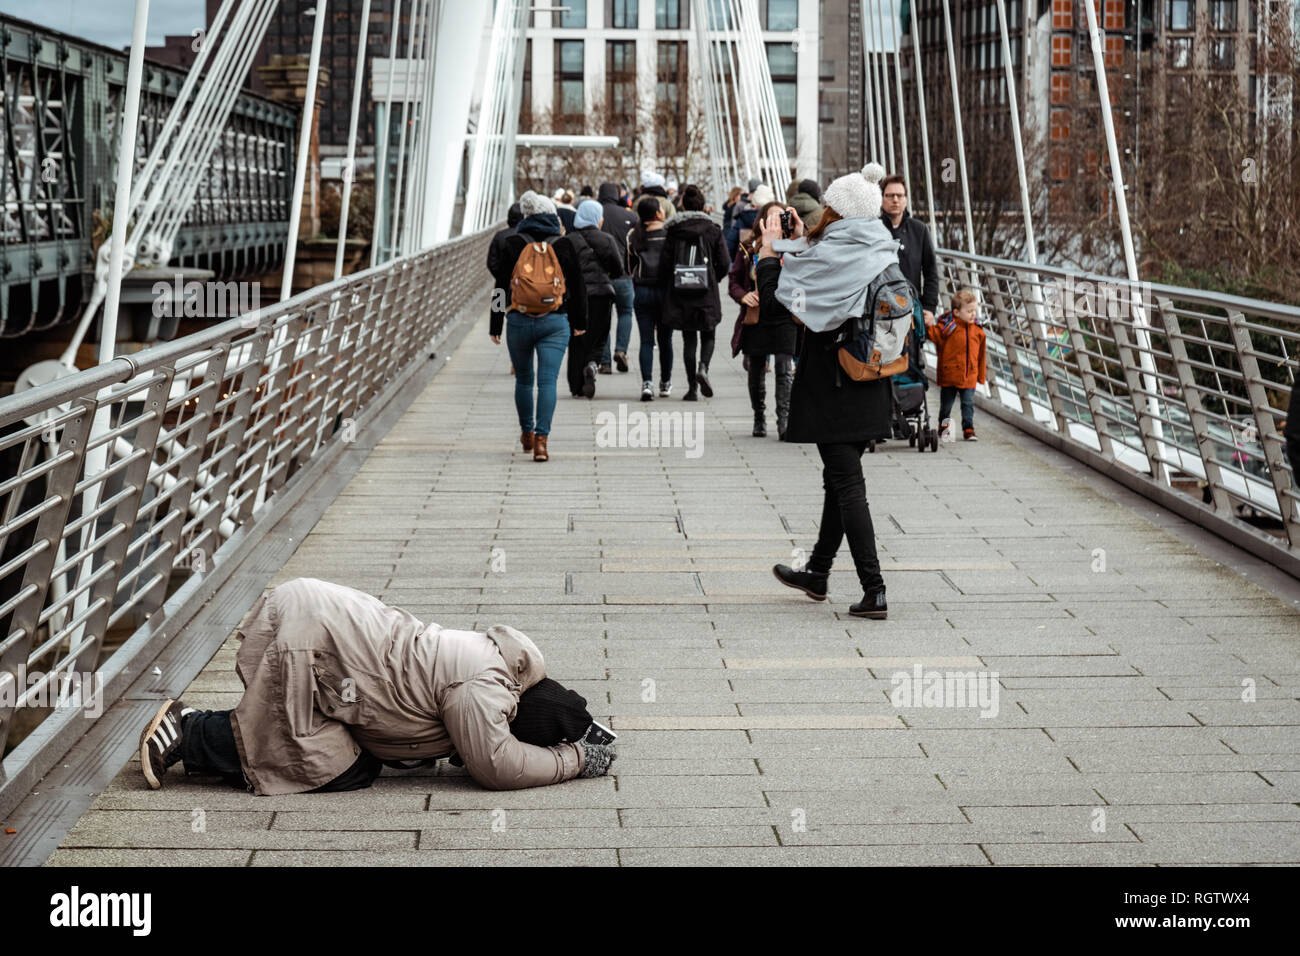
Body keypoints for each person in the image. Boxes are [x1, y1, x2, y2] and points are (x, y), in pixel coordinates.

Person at [138, 578, 617, 794]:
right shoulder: (484, 691)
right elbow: (496, 765)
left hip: (323, 624)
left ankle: (210, 744)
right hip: (314, 643)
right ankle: (188, 730)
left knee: (347, 760)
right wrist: (571, 760)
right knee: (325, 764)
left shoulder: (502, 665)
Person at [764, 167, 899, 619]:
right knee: (838, 481)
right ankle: (818, 572)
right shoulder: (878, 245)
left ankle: (874, 589)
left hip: (835, 384)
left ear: (836, 210)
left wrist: (768, 253)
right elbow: (828, 264)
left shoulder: (833, 252)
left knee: (847, 485)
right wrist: (803, 240)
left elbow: (782, 305)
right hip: (872, 378)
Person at [489, 190, 588, 462]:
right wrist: (580, 323)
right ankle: (543, 441)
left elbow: (500, 288)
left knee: (523, 380)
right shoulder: (565, 244)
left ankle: (527, 433)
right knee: (547, 382)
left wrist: (495, 323)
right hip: (555, 321)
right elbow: (578, 288)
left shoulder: (512, 243)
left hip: (519, 320)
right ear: (552, 216)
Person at [728, 201, 797, 438]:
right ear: (762, 221)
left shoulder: (795, 246)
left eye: (781, 217)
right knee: (755, 369)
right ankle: (759, 417)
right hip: (756, 315)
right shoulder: (749, 247)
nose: (777, 222)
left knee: (784, 368)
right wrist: (743, 295)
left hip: (784, 314)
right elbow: (734, 280)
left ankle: (784, 420)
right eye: (772, 218)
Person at [660, 184, 729, 401]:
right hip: (706, 291)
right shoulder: (713, 230)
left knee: (689, 339)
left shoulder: (674, 231)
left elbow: (664, 263)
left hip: (682, 292)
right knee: (708, 333)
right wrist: (712, 278)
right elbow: (725, 262)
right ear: (703, 205)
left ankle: (692, 389)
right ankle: (704, 368)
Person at [565, 198, 626, 399]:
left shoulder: (569, 241)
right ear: (596, 218)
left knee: (577, 338)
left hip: (575, 296)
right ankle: (592, 363)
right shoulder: (607, 240)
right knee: (599, 335)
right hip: (601, 295)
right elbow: (618, 269)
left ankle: (576, 385)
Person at [874, 167, 939, 327]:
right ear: (881, 199)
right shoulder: (873, 229)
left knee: (911, 351)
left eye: (899, 195)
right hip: (880, 313)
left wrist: (929, 308)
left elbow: (931, 272)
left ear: (906, 199)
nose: (895, 200)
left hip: (911, 310)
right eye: (889, 195)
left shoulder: (920, 229)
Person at [927, 288, 987, 441]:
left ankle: (968, 429)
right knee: (946, 405)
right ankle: (943, 425)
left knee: (968, 404)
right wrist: (928, 324)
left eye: (974, 310)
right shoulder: (948, 328)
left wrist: (981, 376)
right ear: (957, 312)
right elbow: (934, 334)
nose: (973, 314)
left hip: (970, 375)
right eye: (969, 311)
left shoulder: (978, 332)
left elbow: (981, 356)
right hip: (950, 375)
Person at [629, 195, 673, 401]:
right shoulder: (669, 234)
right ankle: (665, 382)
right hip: (666, 292)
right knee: (665, 340)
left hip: (643, 292)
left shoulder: (634, 236)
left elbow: (628, 267)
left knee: (646, 341)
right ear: (658, 213)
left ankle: (647, 383)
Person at [598, 181, 640, 374]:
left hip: (600, 276)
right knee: (625, 312)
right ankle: (621, 350)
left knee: (603, 317)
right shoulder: (629, 215)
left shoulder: (595, 213)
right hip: (624, 274)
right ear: (617, 195)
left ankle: (604, 361)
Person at [726, 183, 773, 258]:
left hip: (747, 259)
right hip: (770, 259)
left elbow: (731, 243)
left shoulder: (743, 217)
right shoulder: (774, 218)